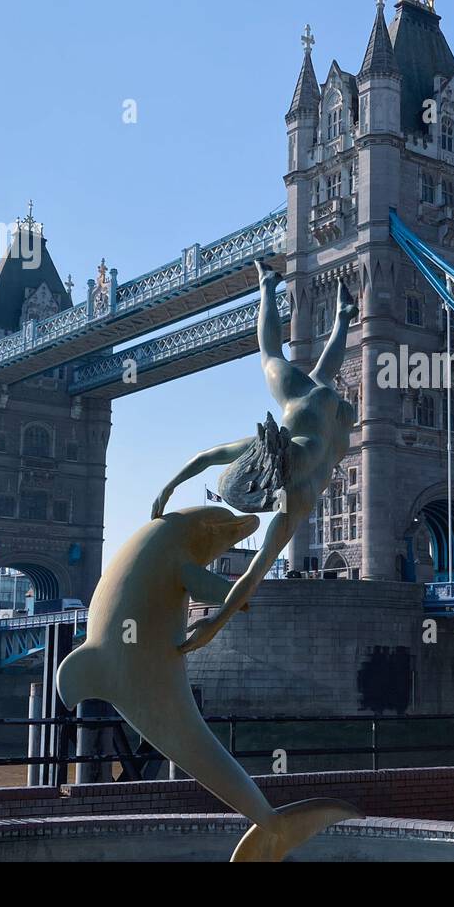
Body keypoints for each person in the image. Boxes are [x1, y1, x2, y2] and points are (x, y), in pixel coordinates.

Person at [151, 259, 359, 651]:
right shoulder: (276, 454)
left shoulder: (297, 491)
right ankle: (268, 285)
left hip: (323, 412)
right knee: (269, 354)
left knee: (300, 366)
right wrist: (169, 487)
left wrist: (215, 621)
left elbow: (256, 569)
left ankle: (323, 306)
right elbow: (208, 456)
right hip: (306, 403)